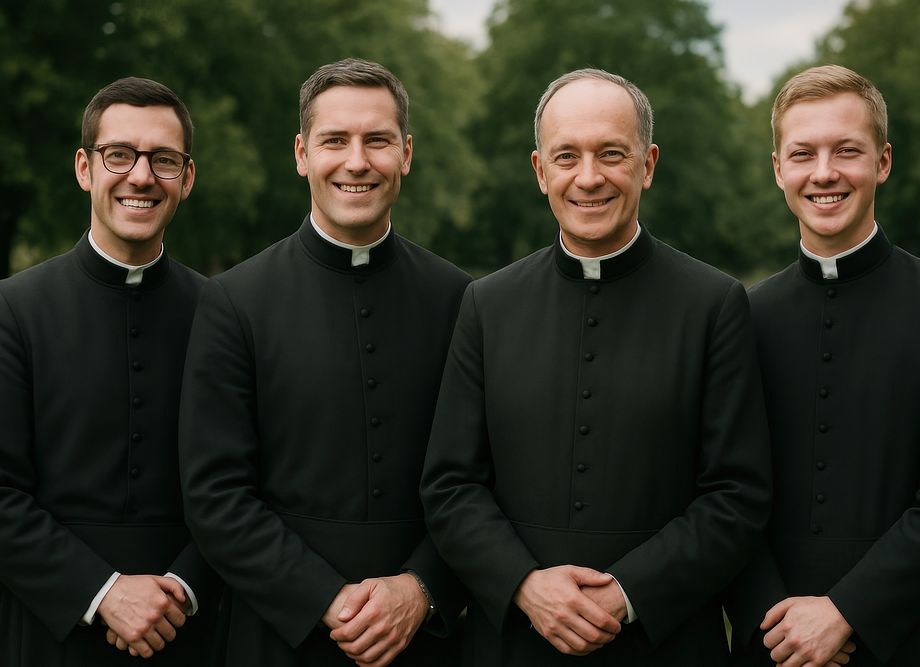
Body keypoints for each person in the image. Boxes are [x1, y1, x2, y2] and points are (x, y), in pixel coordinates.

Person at [420, 68, 772, 665]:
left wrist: (627, 594)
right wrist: (526, 585)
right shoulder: (487, 304)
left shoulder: (713, 304)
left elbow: (737, 493)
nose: (588, 177)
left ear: (647, 164)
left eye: (611, 153)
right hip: (513, 644)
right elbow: (450, 485)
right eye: (567, 157)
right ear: (540, 171)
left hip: (664, 644)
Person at [178, 58, 469, 667]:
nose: (357, 162)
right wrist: (322, 598)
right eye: (335, 140)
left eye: (378, 140)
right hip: (276, 636)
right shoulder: (234, 300)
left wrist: (421, 589)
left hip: (424, 640)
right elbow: (215, 494)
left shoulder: (459, 299)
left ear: (406, 153)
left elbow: (480, 477)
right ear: (301, 154)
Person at [726, 64, 920, 666]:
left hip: (916, 636)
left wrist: (847, 611)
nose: (824, 172)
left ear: (883, 161)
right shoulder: (744, 315)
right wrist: (773, 619)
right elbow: (725, 492)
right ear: (778, 169)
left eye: (847, 150)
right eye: (803, 153)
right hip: (772, 642)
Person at [0, 77, 217, 665]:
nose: (141, 177)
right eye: (119, 154)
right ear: (84, 168)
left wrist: (184, 588)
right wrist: (102, 593)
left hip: (189, 631)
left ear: (187, 178)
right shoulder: (13, 309)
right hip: (49, 633)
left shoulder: (222, 313)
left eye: (164, 160)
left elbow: (244, 483)